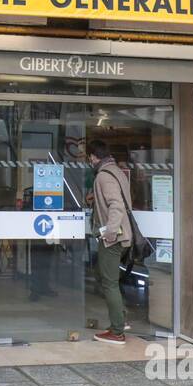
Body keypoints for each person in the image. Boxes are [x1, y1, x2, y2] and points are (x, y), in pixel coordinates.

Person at [87, 139, 133, 343]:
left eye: (90, 158)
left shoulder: (103, 176)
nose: (90, 162)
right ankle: (120, 318)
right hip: (122, 236)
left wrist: (110, 233)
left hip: (114, 238)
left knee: (109, 282)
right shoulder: (116, 171)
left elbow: (116, 205)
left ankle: (117, 331)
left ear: (93, 157)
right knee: (104, 275)